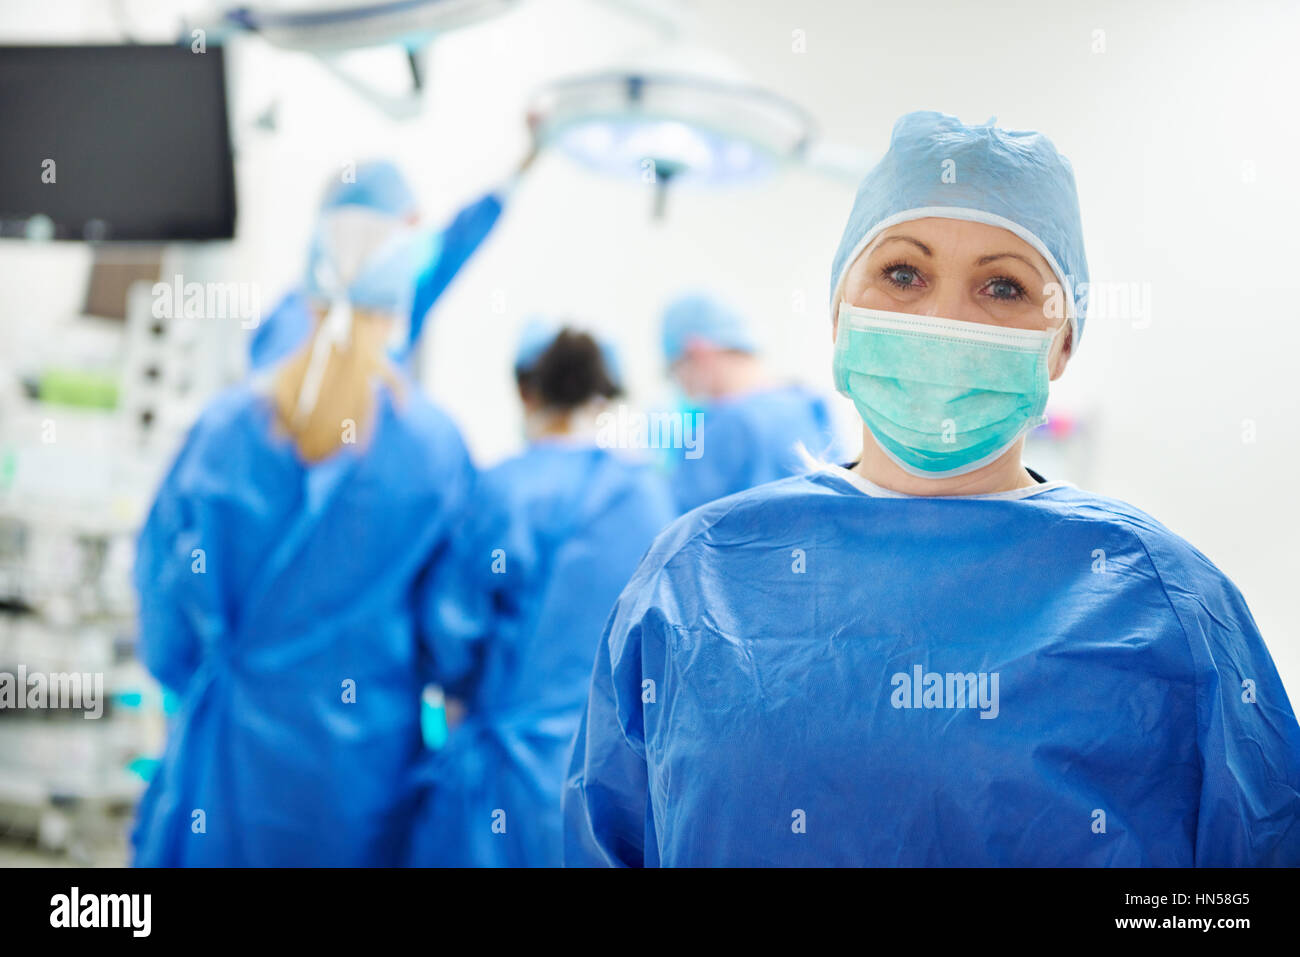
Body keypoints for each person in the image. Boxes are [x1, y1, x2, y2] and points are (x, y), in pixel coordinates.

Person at [564, 111, 1300, 866]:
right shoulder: (694, 578)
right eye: (903, 273)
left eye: (1004, 286)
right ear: (839, 313)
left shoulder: (1165, 605)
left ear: (1063, 344)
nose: (945, 318)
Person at [131, 191, 475, 866]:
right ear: (400, 308)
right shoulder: (434, 448)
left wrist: (189, 678)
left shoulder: (229, 427)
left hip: (230, 763)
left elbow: (164, 598)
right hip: (359, 770)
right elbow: (452, 634)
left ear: (307, 296)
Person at [408, 323, 675, 867]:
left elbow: (451, 634)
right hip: (620, 780)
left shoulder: (504, 490)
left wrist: (455, 694)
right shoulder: (648, 496)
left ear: (527, 394)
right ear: (603, 397)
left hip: (507, 783)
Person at [249, 151, 530, 372]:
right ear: (354, 235)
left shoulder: (404, 301)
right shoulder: (295, 325)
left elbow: (458, 240)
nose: (411, 242)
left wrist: (525, 161)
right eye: (403, 229)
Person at [660, 292, 837, 514]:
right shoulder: (811, 407)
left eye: (676, 372)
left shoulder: (722, 430)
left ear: (698, 352)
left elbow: (682, 534)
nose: (682, 386)